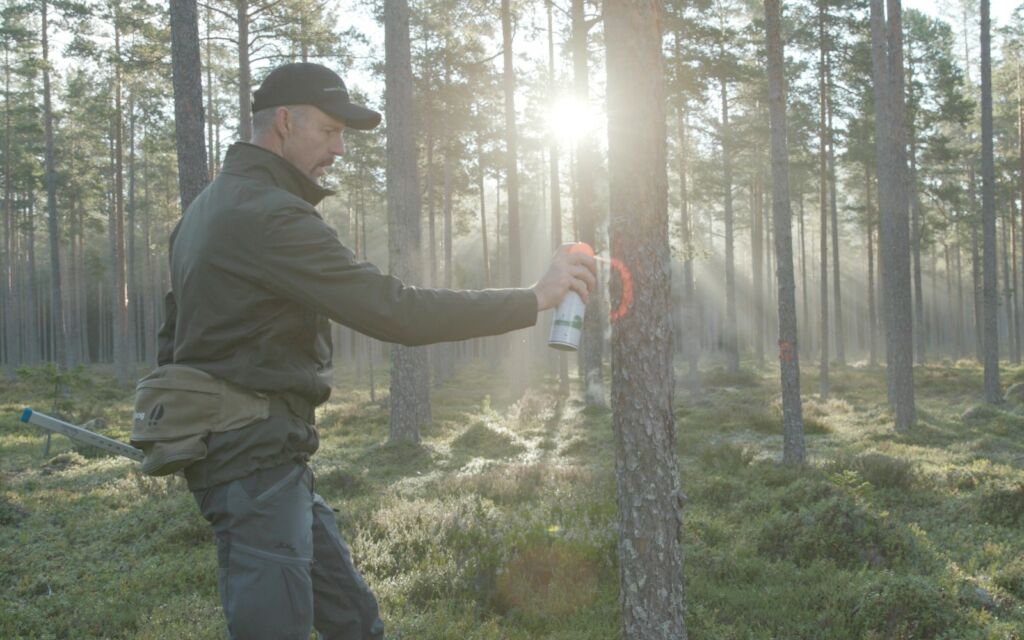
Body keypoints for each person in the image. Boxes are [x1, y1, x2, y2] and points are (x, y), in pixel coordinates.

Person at [155, 62, 596, 640]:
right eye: (331, 131)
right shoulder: (269, 216)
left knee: (353, 619)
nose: (339, 149)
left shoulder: (209, 207)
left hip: (264, 460)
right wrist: (533, 298)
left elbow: (172, 337)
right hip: (252, 466)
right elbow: (396, 310)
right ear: (285, 122)